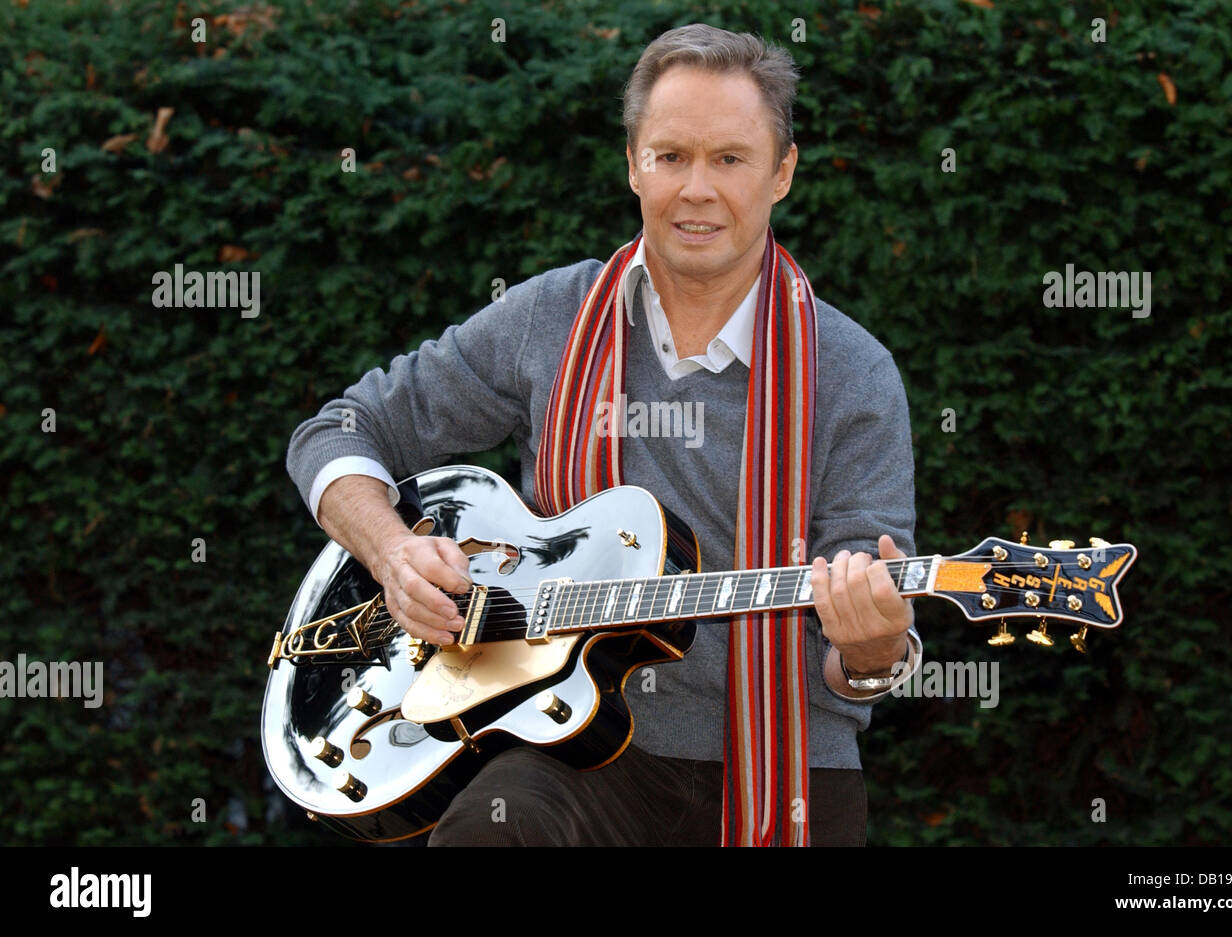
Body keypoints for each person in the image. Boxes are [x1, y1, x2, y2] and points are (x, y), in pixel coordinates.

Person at [286, 23, 921, 846]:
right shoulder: (548, 318)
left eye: (730, 158)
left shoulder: (855, 373)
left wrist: (872, 648)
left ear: (783, 173)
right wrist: (392, 551)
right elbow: (340, 427)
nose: (697, 189)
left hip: (790, 767)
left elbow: (857, 667)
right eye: (671, 156)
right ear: (633, 165)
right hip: (568, 754)